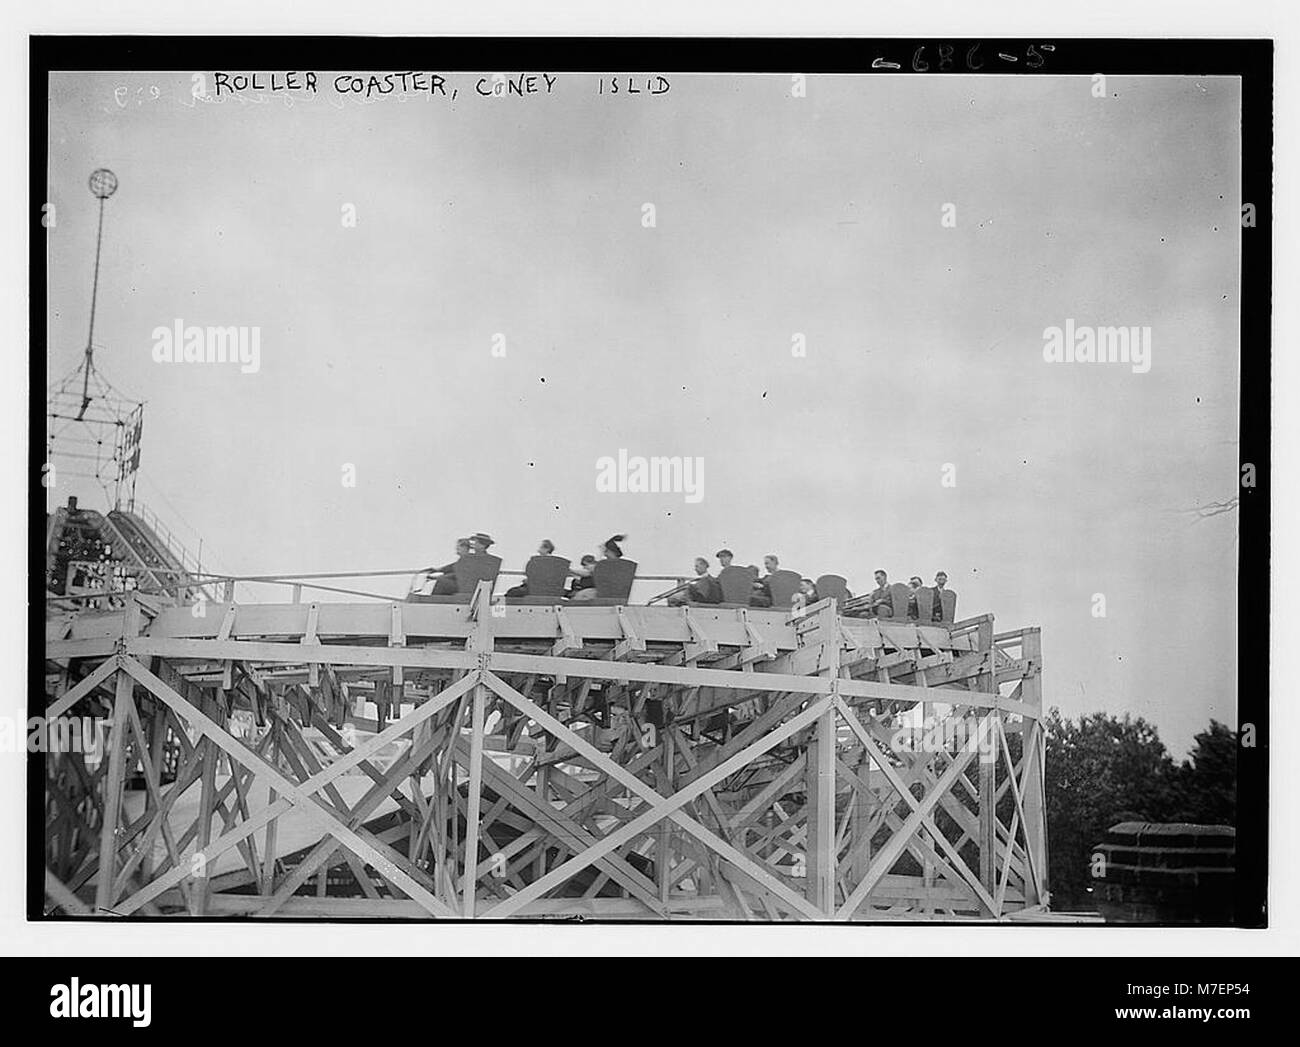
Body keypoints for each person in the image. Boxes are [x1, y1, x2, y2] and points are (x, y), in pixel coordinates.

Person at [570, 535, 627, 601]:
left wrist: (570, 570)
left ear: (611, 551)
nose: (604, 554)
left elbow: (588, 572)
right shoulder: (624, 565)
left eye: (606, 551)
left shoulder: (606, 564)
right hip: (616, 593)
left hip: (604, 592)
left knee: (579, 596)